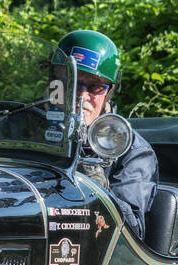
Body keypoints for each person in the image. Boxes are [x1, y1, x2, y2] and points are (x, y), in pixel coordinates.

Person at [49, 30, 158, 240]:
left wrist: (93, 178)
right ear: (55, 82)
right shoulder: (21, 127)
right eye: (71, 81)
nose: (81, 95)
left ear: (108, 92)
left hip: (85, 250)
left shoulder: (132, 150)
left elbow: (131, 233)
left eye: (95, 87)